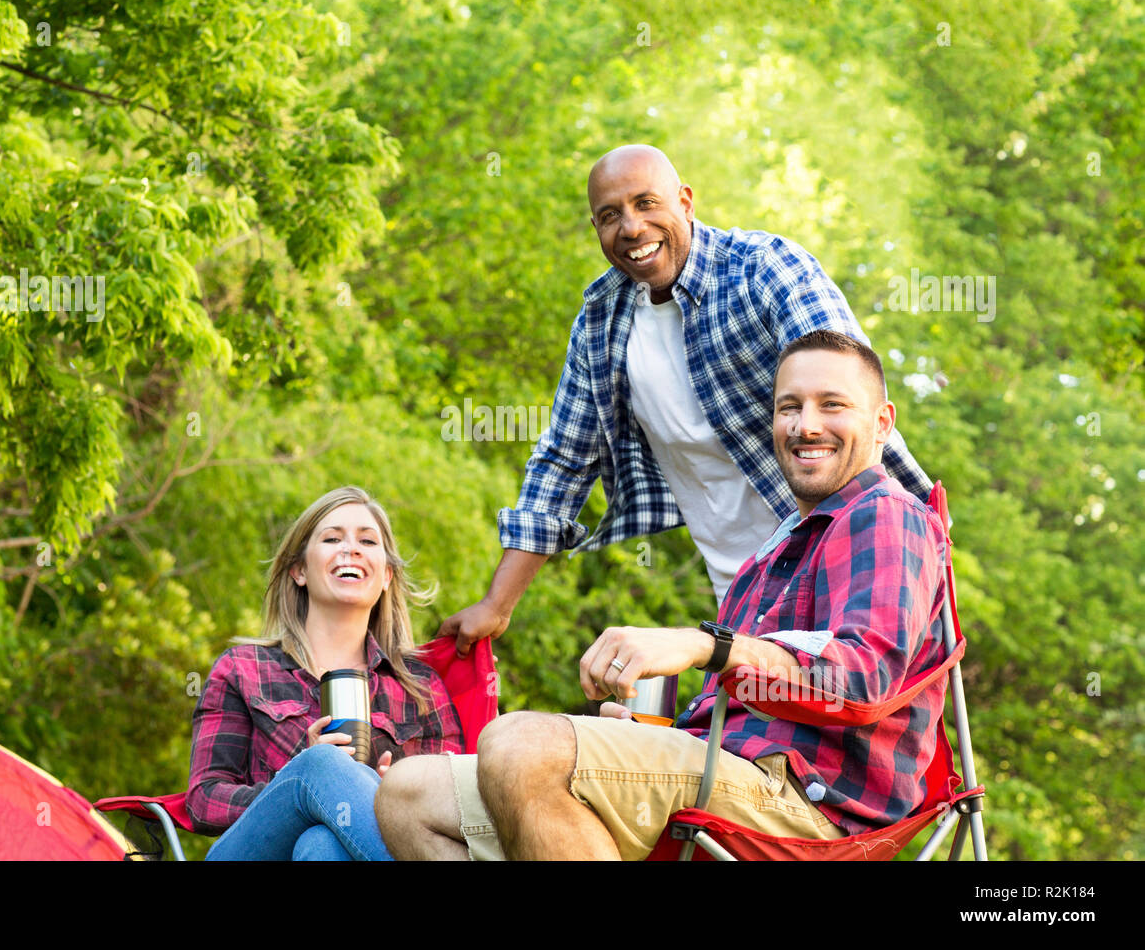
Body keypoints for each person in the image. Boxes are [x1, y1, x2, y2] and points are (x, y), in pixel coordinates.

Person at [376, 330, 948, 859]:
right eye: (789, 407)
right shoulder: (772, 553)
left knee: (520, 745)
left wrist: (710, 645)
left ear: (881, 423)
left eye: (833, 404)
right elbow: (747, 700)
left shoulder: (885, 516)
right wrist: (652, 735)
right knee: (406, 794)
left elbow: (864, 679)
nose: (805, 425)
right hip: (728, 768)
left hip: (808, 800)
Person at [441, 144, 932, 657]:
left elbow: (849, 398)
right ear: (596, 230)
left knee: (851, 715)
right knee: (741, 733)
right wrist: (497, 604)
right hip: (743, 602)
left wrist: (887, 556)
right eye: (611, 216)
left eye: (647, 202)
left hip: (852, 573)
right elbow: (564, 461)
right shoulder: (600, 321)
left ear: (686, 201)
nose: (631, 228)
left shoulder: (764, 271)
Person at [187, 486, 463, 860]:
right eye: (332, 538)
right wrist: (300, 780)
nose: (350, 548)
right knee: (320, 764)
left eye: (367, 541)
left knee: (322, 846)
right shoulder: (242, 669)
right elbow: (204, 800)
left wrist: (383, 795)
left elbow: (454, 807)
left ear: (386, 577)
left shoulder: (420, 689)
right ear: (299, 570)